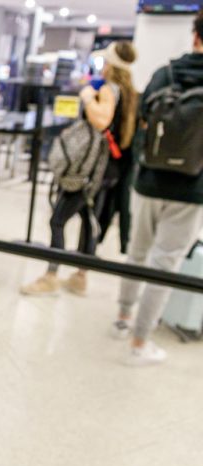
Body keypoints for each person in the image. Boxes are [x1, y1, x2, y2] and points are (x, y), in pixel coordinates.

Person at [112, 12, 203, 365]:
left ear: (194, 36)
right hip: (192, 189)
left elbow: (141, 125)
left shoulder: (165, 74)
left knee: (137, 253)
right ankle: (140, 342)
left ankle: (122, 318)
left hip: (148, 181)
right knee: (165, 265)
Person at [21, 41, 137, 297]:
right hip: (109, 171)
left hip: (90, 171)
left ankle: (51, 275)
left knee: (58, 219)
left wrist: (87, 98)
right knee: (89, 220)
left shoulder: (108, 90)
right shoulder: (130, 93)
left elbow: (101, 121)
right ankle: (80, 276)